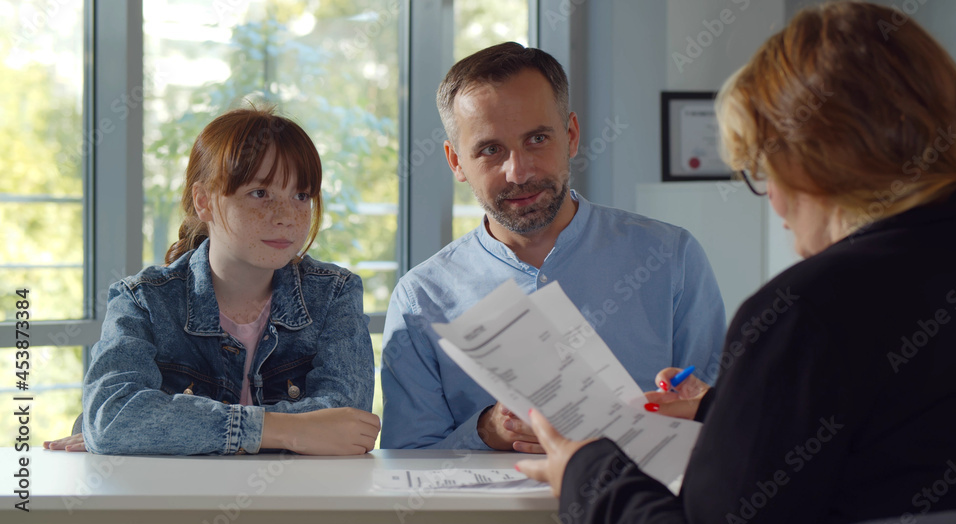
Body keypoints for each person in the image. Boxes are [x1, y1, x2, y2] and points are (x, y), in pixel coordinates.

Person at [517, 3, 956, 524]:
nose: (771, 198)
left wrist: (586, 473)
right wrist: (729, 410)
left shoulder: (803, 314)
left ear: (812, 161)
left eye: (763, 169)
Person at [379, 43, 727, 453]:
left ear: (571, 136)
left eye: (537, 139)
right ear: (456, 161)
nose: (518, 172)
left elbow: (728, 423)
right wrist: (486, 431)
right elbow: (406, 460)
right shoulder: (420, 297)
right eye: (490, 150)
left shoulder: (671, 258)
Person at [44, 106, 380, 456]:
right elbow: (113, 419)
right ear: (203, 201)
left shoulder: (334, 294)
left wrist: (163, 430)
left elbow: (349, 426)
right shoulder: (143, 301)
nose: (285, 217)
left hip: (298, 492)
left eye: (301, 196)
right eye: (260, 193)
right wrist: (285, 430)